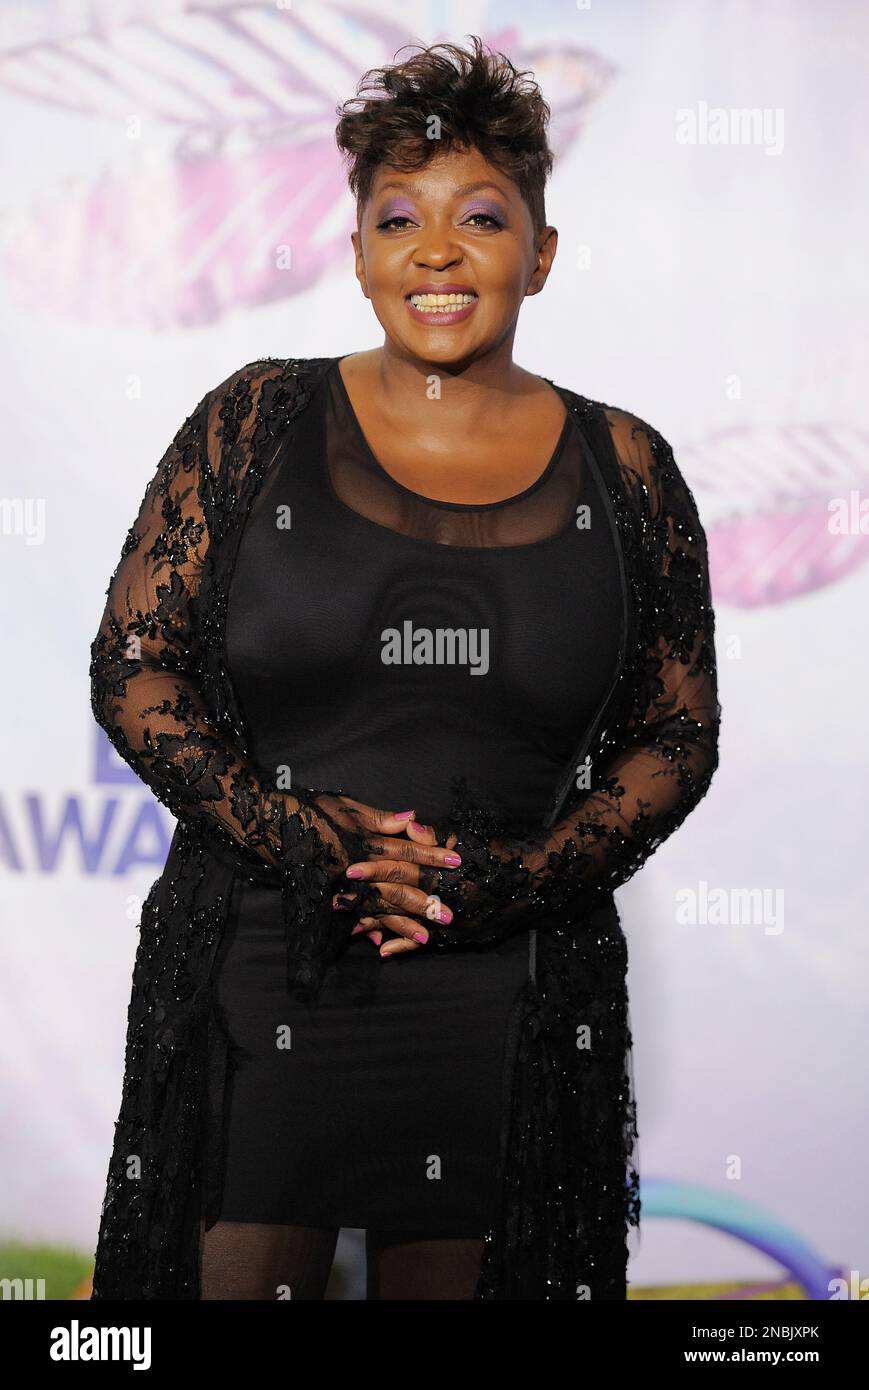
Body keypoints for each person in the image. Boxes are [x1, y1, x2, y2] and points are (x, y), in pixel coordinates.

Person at [89, 36, 721, 1301]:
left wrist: (519, 879)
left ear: (540, 253)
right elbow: (134, 665)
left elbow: (677, 733)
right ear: (359, 250)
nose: (435, 251)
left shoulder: (628, 468)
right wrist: (286, 828)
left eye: (478, 217)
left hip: (507, 984)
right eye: (397, 218)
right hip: (260, 967)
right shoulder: (252, 419)